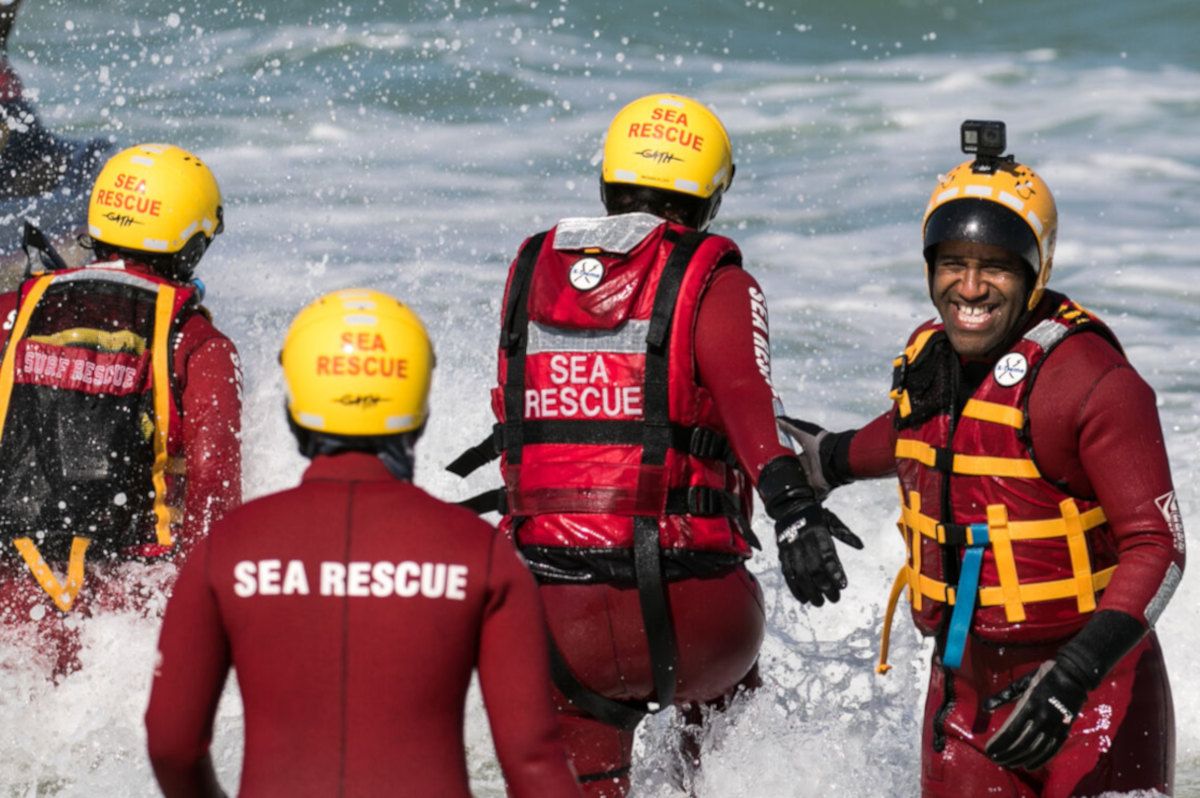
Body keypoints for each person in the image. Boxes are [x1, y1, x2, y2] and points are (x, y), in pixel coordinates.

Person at [448, 93, 861, 795]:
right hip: (690, 608)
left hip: (551, 604)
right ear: (711, 196)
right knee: (724, 722)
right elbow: (747, 406)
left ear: (609, 183)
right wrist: (795, 511)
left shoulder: (529, 269)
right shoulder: (717, 280)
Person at [781, 121, 1184, 797]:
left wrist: (1073, 678)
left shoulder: (1095, 382)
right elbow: (928, 438)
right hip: (963, 696)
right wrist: (830, 461)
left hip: (1090, 693)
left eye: (994, 266)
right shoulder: (929, 356)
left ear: (1035, 272)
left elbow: (1159, 548)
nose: (969, 288)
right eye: (951, 265)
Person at [145, 289, 582, 798]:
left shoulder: (231, 546)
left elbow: (171, 744)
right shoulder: (478, 551)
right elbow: (533, 764)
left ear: (295, 412)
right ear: (417, 412)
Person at [0, 142, 241, 678]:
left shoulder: (12, 314)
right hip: (124, 617)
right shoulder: (198, 344)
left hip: (11, 605)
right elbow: (214, 490)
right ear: (194, 244)